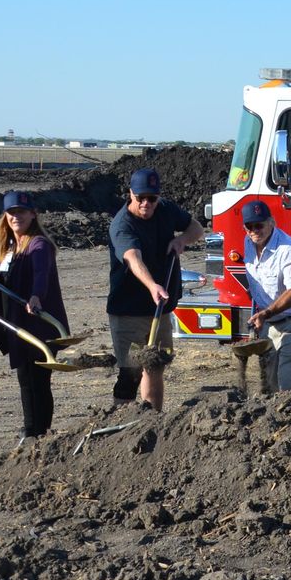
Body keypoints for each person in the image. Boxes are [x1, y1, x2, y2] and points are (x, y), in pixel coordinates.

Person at [107, 168, 203, 412]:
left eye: (152, 198)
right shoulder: (122, 225)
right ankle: (121, 425)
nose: (146, 203)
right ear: (131, 194)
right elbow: (133, 258)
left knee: (155, 365)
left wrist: (182, 240)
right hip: (128, 311)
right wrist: (152, 285)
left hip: (160, 308)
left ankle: (153, 421)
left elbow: (196, 228)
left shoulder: (166, 209)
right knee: (130, 373)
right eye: (141, 198)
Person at [0, 190, 69, 441]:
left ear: (33, 214)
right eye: (12, 212)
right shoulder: (6, 243)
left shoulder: (39, 244)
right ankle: (30, 430)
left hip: (39, 323)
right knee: (24, 378)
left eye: (21, 212)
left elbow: (41, 273)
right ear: (5, 216)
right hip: (17, 322)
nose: (16, 217)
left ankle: (40, 432)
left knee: (38, 380)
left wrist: (36, 296)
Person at [241, 199, 291, 392]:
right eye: (249, 227)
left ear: (271, 222)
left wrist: (266, 312)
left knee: (287, 386)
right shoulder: (248, 243)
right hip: (269, 324)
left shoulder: (287, 250)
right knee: (269, 384)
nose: (254, 231)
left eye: (259, 225)